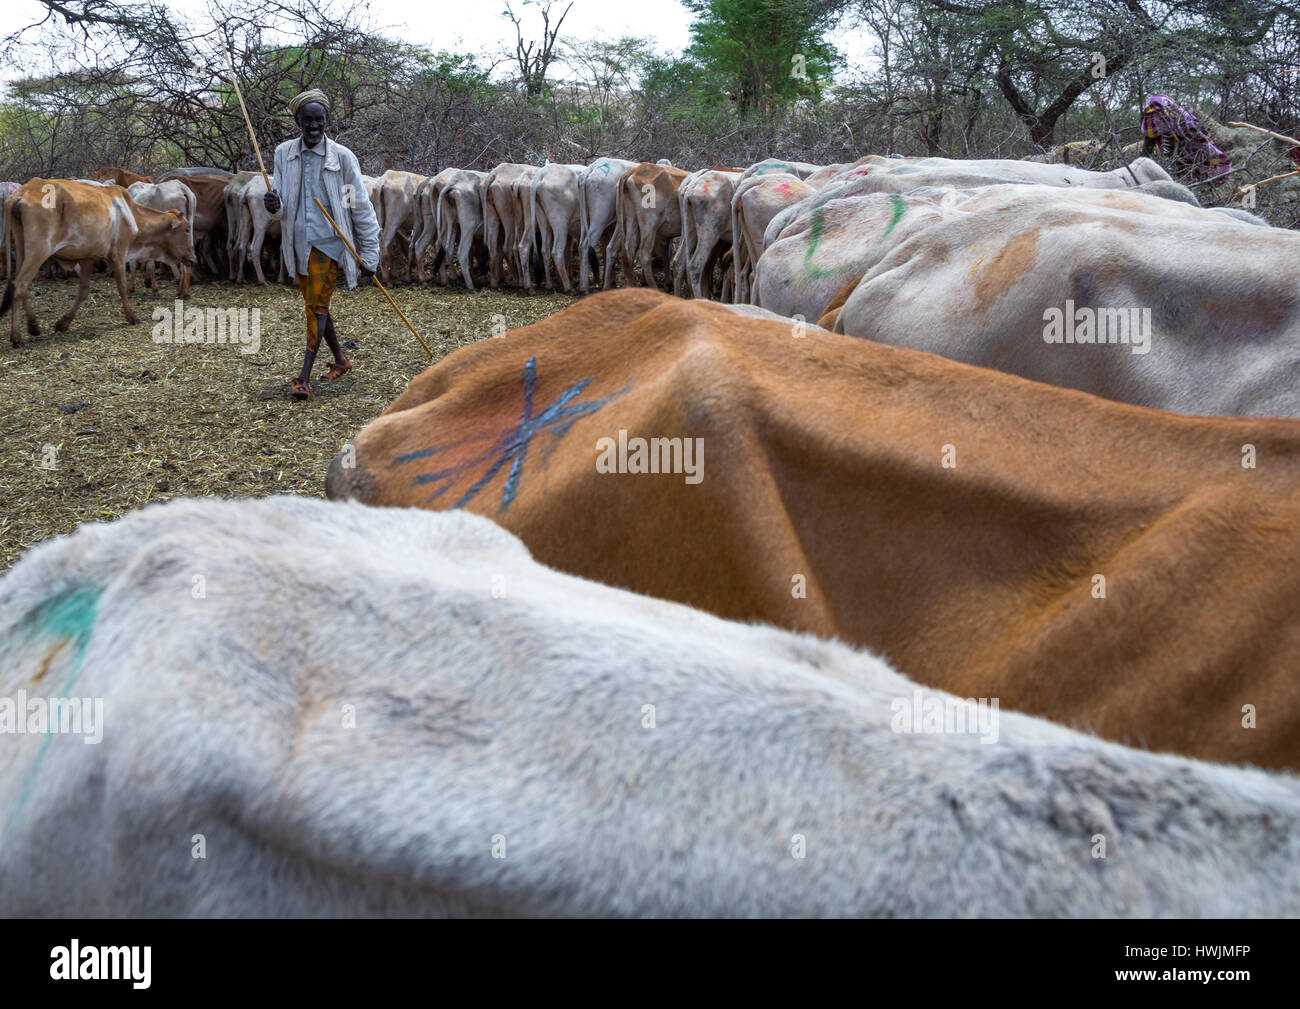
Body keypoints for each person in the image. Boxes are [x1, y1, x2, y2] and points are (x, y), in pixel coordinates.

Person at [264, 89, 380, 399]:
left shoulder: (341, 158)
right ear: (298, 121)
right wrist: (273, 204)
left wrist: (369, 256)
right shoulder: (284, 154)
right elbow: (281, 206)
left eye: (319, 119)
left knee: (315, 308)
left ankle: (303, 376)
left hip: (329, 244)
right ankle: (341, 360)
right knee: (318, 306)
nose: (314, 125)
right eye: (307, 119)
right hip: (298, 244)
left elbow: (358, 206)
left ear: (326, 119)